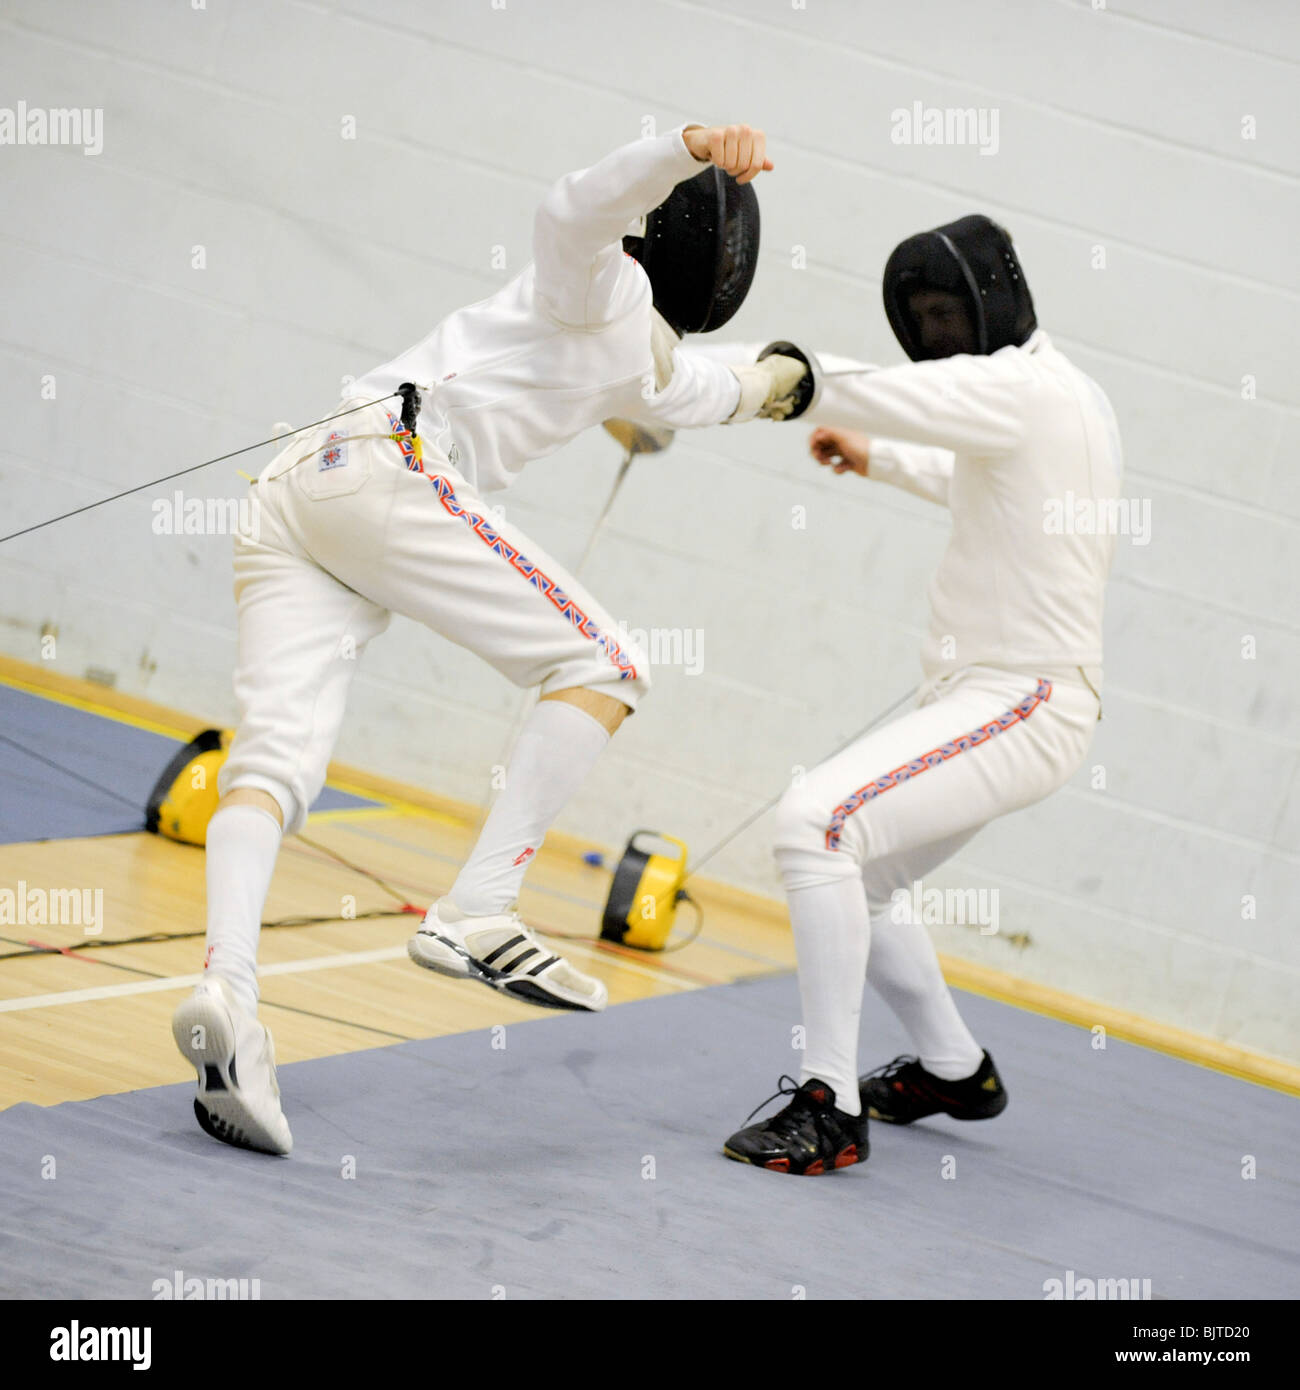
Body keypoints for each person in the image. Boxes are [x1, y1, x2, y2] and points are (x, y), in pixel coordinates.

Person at [171, 122, 807, 1156]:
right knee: (604, 662)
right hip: (389, 468)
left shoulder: (637, 358)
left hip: (301, 485)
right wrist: (682, 142)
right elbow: (574, 207)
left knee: (274, 759)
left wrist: (784, 384)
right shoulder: (595, 285)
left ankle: (227, 1003)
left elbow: (708, 391)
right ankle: (477, 907)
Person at [720, 215, 1122, 1175]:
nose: (938, 328)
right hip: (996, 698)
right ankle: (954, 1070)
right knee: (868, 873)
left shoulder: (1019, 386)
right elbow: (980, 477)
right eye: (923, 315)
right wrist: (874, 455)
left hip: (1022, 702)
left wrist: (782, 376)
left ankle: (826, 1106)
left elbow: (897, 394)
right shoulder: (1062, 395)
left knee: (814, 823)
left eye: (949, 308)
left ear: (995, 298)